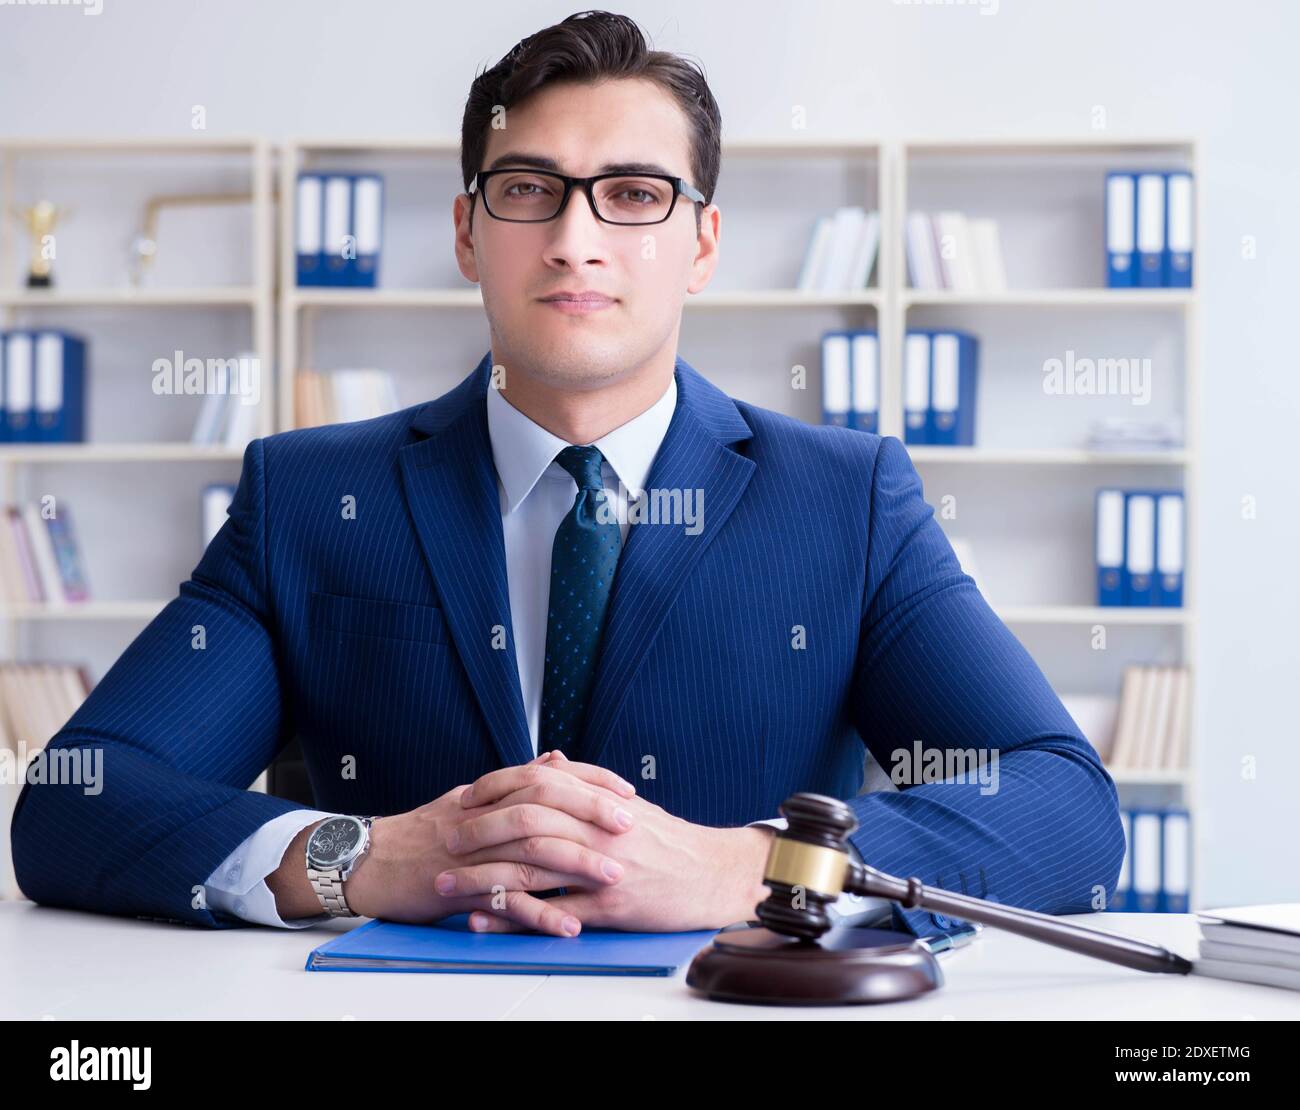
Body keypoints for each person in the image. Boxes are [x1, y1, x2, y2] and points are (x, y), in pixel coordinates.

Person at [10, 11, 1124, 939]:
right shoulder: (309, 497)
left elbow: (1063, 804)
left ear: (700, 243)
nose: (574, 239)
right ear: (466, 232)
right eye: (530, 190)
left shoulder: (845, 502)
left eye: (633, 194)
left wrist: (754, 869)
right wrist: (368, 856)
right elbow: (78, 802)